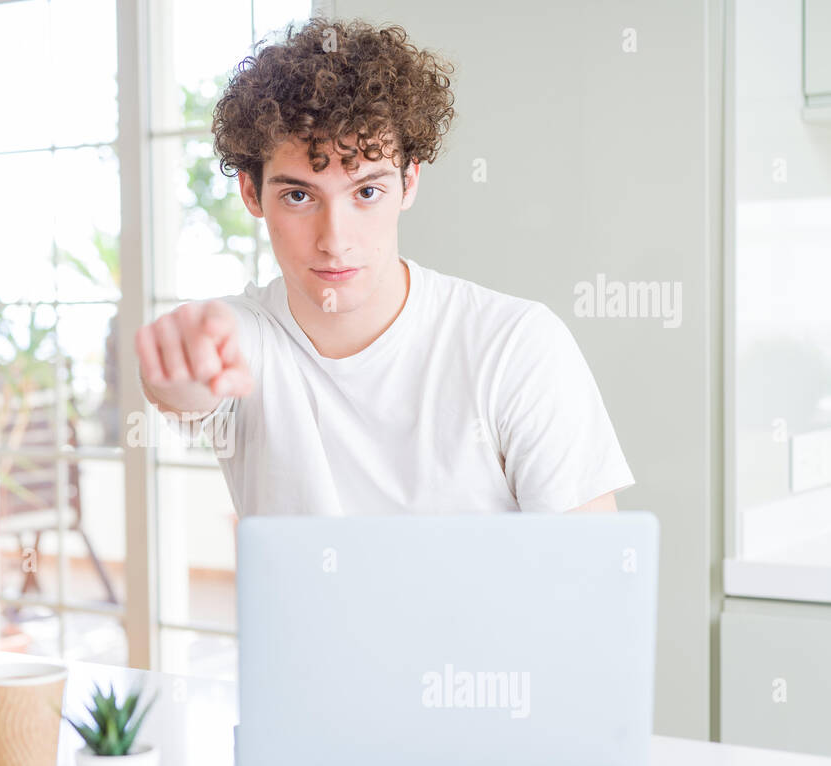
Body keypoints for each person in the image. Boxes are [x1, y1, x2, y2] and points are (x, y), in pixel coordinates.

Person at [135, 18, 634, 517]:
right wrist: (181, 369)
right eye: (298, 195)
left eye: (367, 192)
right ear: (251, 193)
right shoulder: (245, 340)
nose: (334, 241)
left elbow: (590, 574)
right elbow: (188, 389)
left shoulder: (516, 345)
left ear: (409, 184)